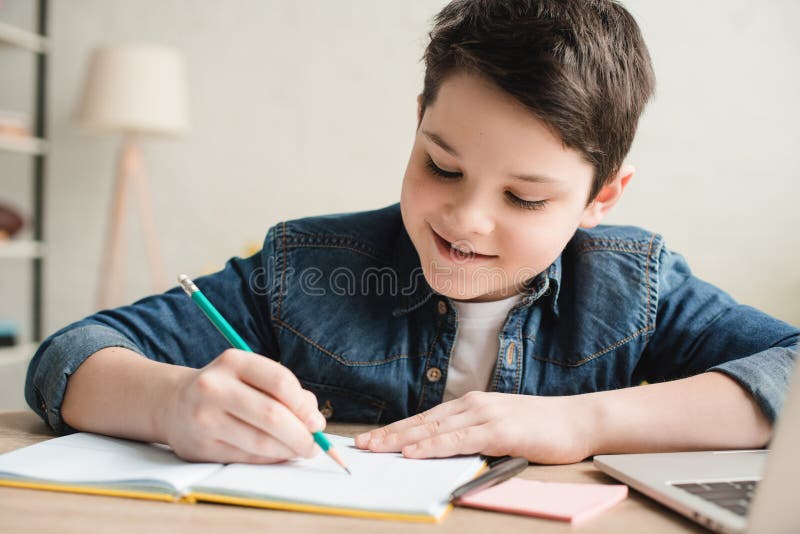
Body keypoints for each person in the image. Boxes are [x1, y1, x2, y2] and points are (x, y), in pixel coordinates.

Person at [26, 0, 798, 465]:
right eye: (442, 165)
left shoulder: (635, 290)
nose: (465, 219)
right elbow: (69, 358)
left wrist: (582, 420)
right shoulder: (309, 268)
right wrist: (171, 404)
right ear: (418, 125)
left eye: (526, 198)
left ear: (602, 197)